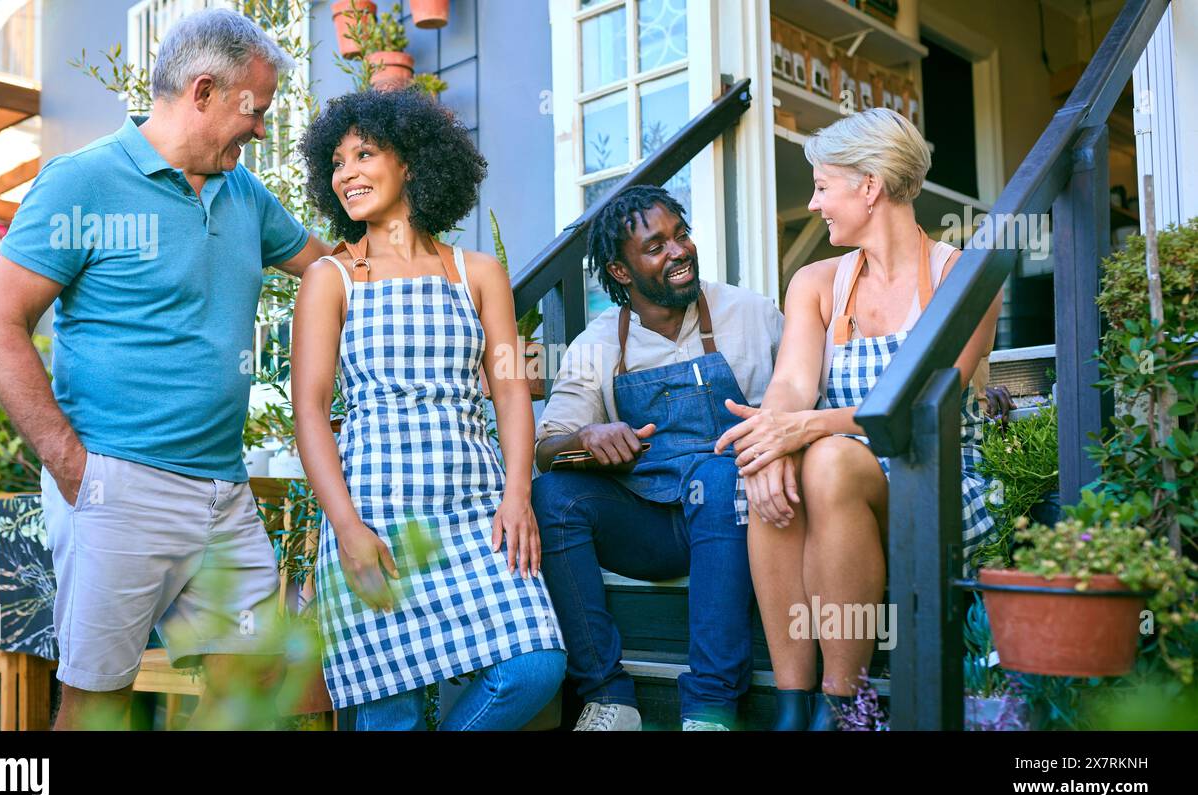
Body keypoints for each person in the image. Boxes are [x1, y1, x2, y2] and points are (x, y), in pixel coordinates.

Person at [0, 8, 333, 729]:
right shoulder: (82, 182)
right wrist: (71, 463)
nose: (262, 129)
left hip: (223, 490)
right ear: (203, 91)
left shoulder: (246, 196)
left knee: (260, 685)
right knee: (97, 701)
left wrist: (435, 277)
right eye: (255, 111)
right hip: (117, 485)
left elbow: (330, 270)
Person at [715, 108, 999, 730]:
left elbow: (924, 406)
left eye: (821, 186)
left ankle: (845, 705)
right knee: (780, 461)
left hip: (938, 477)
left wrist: (805, 428)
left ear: (869, 186)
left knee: (828, 453)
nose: (814, 204)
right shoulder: (816, 282)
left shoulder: (963, 277)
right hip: (839, 473)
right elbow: (790, 383)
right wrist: (773, 436)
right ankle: (795, 705)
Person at [292, 89, 565, 731]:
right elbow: (310, 413)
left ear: (410, 161)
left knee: (534, 667)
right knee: (391, 714)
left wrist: (518, 494)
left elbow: (509, 391)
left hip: (477, 513)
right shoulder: (329, 279)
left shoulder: (477, 273)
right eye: (336, 161)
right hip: (374, 518)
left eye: (365, 153)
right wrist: (346, 529)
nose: (347, 172)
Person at [532, 185, 786, 730]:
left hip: (739, 516)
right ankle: (608, 699)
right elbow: (547, 449)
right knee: (551, 495)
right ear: (621, 272)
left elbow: (816, 400)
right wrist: (589, 438)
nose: (678, 251)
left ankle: (710, 710)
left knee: (720, 476)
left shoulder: (754, 314)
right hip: (650, 524)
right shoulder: (597, 344)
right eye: (655, 246)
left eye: (681, 235)